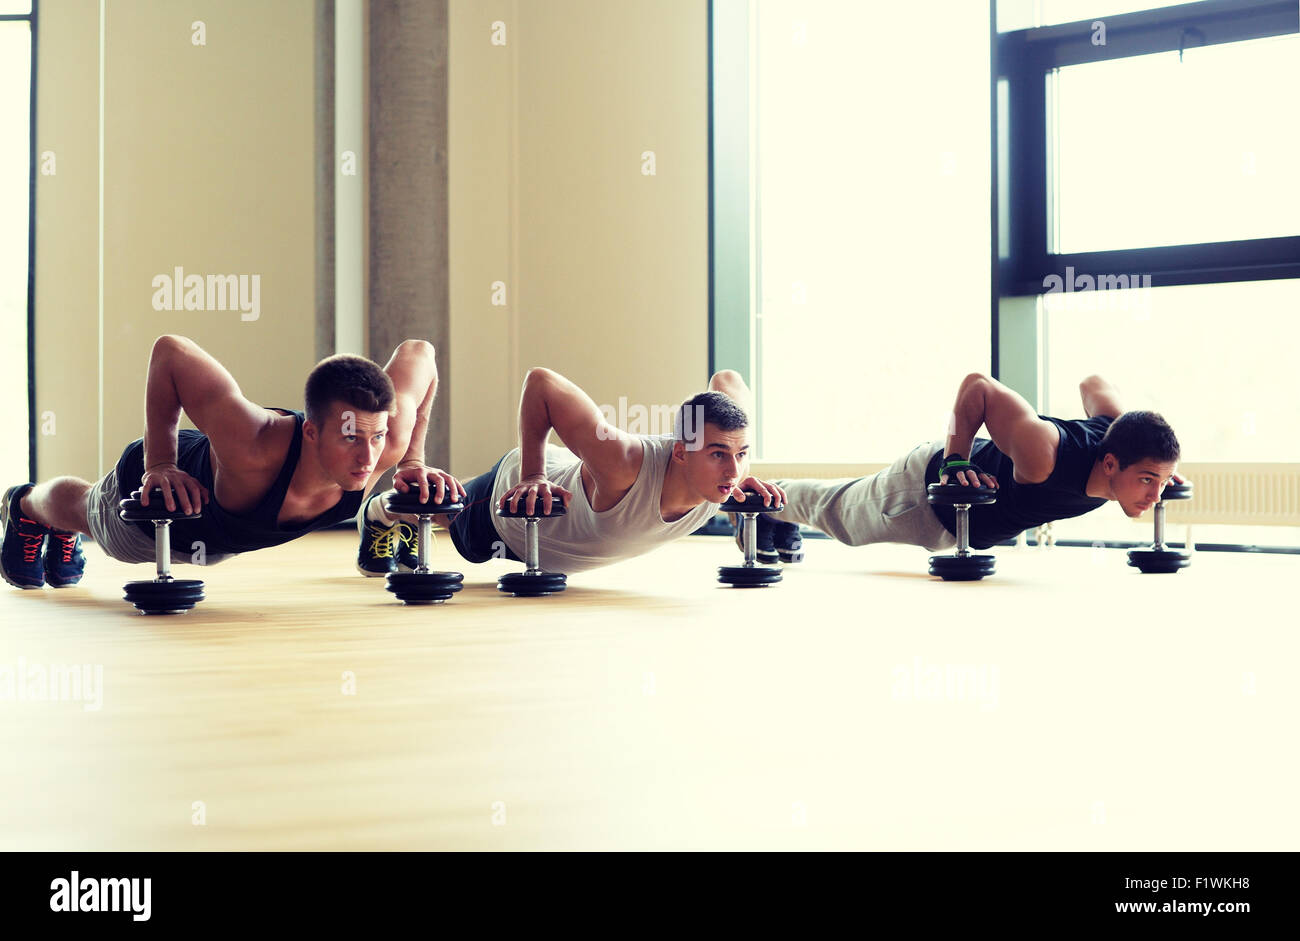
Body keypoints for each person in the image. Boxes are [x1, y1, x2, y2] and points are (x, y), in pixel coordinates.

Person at [1, 334, 461, 590]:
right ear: (311, 431)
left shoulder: (385, 440)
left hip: (221, 538)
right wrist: (159, 463)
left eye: (377, 437)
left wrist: (412, 460)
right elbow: (170, 351)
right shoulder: (254, 441)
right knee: (84, 510)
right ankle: (25, 506)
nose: (367, 457)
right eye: (350, 439)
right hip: (156, 515)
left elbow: (420, 351)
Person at [356, 367, 785, 576]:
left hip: (571, 486)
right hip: (507, 517)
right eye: (717, 454)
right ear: (680, 454)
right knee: (446, 512)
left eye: (742, 453)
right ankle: (380, 515)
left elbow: (727, 379)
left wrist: (738, 459)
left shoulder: (726, 475)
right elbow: (541, 383)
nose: (733, 470)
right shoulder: (624, 463)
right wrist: (532, 476)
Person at [763, 372, 1182, 558]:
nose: (1155, 494)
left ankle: (777, 509)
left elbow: (1093, 384)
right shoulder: (1045, 455)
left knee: (841, 502)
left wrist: (1145, 459)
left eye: (1160, 482)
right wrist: (954, 461)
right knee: (840, 516)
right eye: (1148, 480)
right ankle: (766, 499)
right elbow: (978, 386)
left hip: (963, 526)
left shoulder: (1113, 435)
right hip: (923, 499)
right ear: (1110, 463)